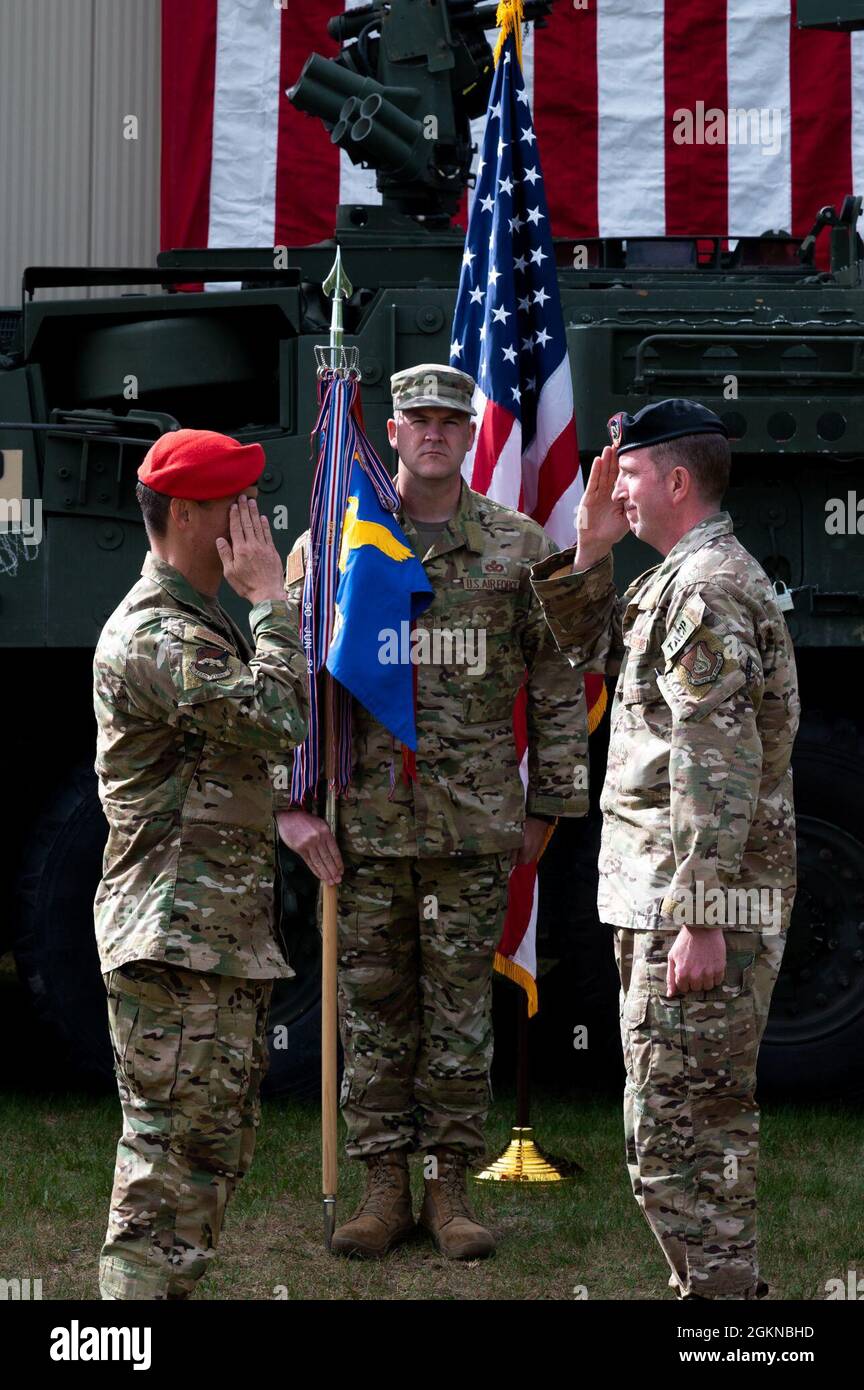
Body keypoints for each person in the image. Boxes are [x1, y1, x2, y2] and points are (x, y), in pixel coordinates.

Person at [278, 363, 589, 1260]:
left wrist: (550, 802)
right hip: (364, 827)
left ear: (468, 433)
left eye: (450, 421)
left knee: (458, 1015)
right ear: (392, 431)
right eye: (417, 418)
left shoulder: (518, 545)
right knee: (374, 1013)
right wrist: (292, 803)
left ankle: (450, 1190)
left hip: (472, 826)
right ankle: (383, 1189)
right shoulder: (339, 540)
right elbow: (292, 679)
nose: (434, 433)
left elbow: (557, 677)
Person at [531, 398, 800, 1300]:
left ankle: (726, 1317)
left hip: (690, 907)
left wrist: (702, 917)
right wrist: (592, 547)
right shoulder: (678, 580)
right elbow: (590, 651)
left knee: (686, 1138)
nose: (615, 487)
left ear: (678, 480)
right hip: (661, 897)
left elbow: (715, 762)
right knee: (674, 1133)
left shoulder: (707, 590)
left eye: (630, 473)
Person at [93, 428, 308, 1300]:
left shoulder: (198, 621)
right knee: (164, 1173)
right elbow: (279, 718)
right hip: (173, 942)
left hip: (210, 942)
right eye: (233, 504)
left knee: (207, 1156)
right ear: (186, 515)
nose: (251, 521)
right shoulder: (159, 636)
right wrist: (274, 604)